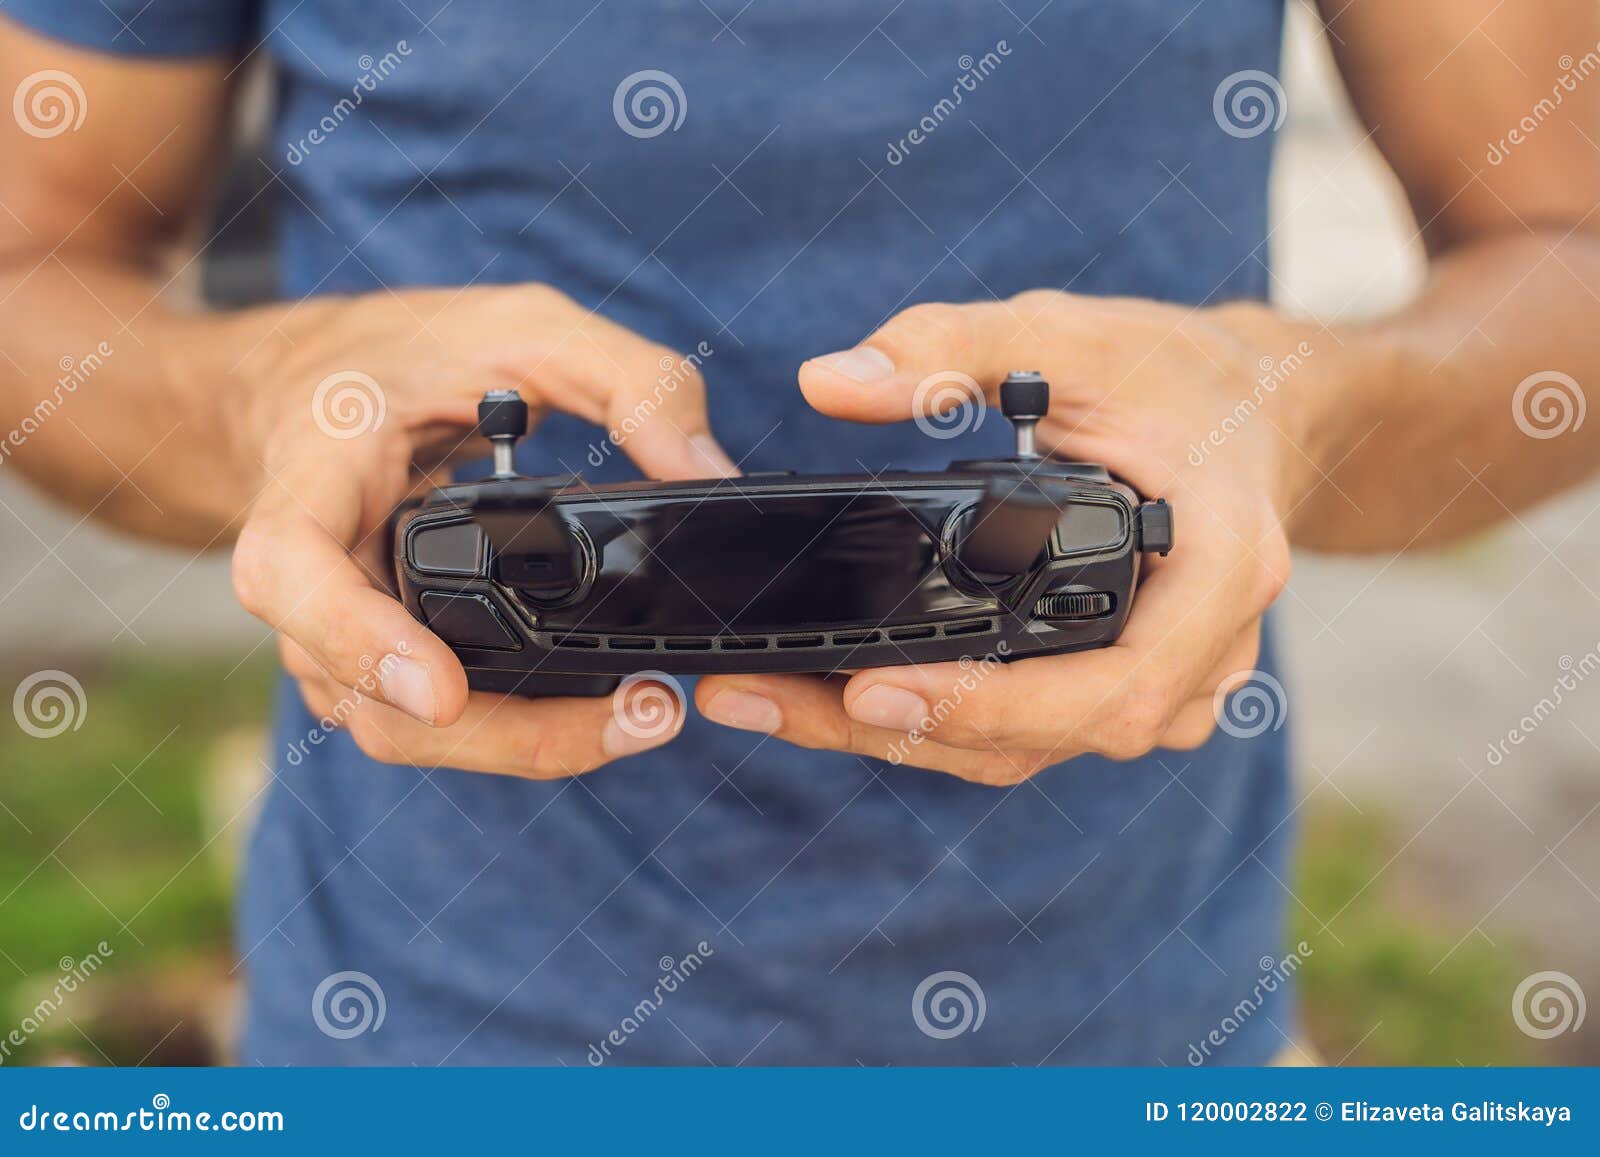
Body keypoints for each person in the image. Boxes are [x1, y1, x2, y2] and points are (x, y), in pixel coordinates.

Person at [1, 1, 1596, 1065]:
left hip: (1136, 1030)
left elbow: (1566, 244)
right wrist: (273, 396)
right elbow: (30, 255)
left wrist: (1294, 410)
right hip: (424, 1035)